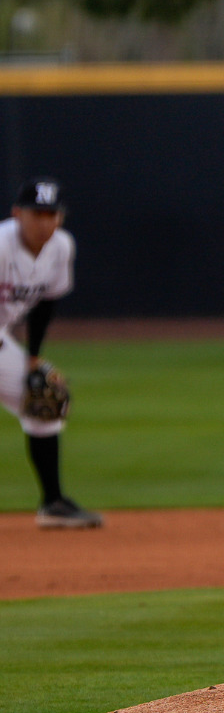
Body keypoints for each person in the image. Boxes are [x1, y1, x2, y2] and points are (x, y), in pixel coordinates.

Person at [3, 180, 97, 528]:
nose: (45, 222)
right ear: (17, 215)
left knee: (45, 395)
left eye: (52, 214)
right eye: (37, 214)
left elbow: (45, 302)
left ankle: (53, 503)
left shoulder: (61, 247)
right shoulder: (1, 245)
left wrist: (32, 356)